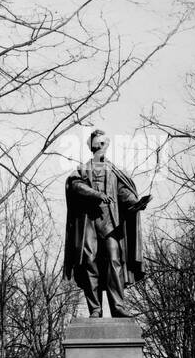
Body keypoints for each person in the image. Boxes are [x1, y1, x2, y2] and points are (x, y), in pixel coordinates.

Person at [63, 128, 150, 317]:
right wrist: (96, 194)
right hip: (89, 223)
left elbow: (123, 192)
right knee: (89, 261)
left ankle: (117, 307)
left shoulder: (113, 171)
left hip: (110, 223)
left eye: (103, 144)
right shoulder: (82, 169)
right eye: (96, 144)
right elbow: (76, 186)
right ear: (91, 146)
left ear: (107, 145)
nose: (100, 147)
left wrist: (135, 203)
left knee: (114, 260)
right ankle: (95, 309)